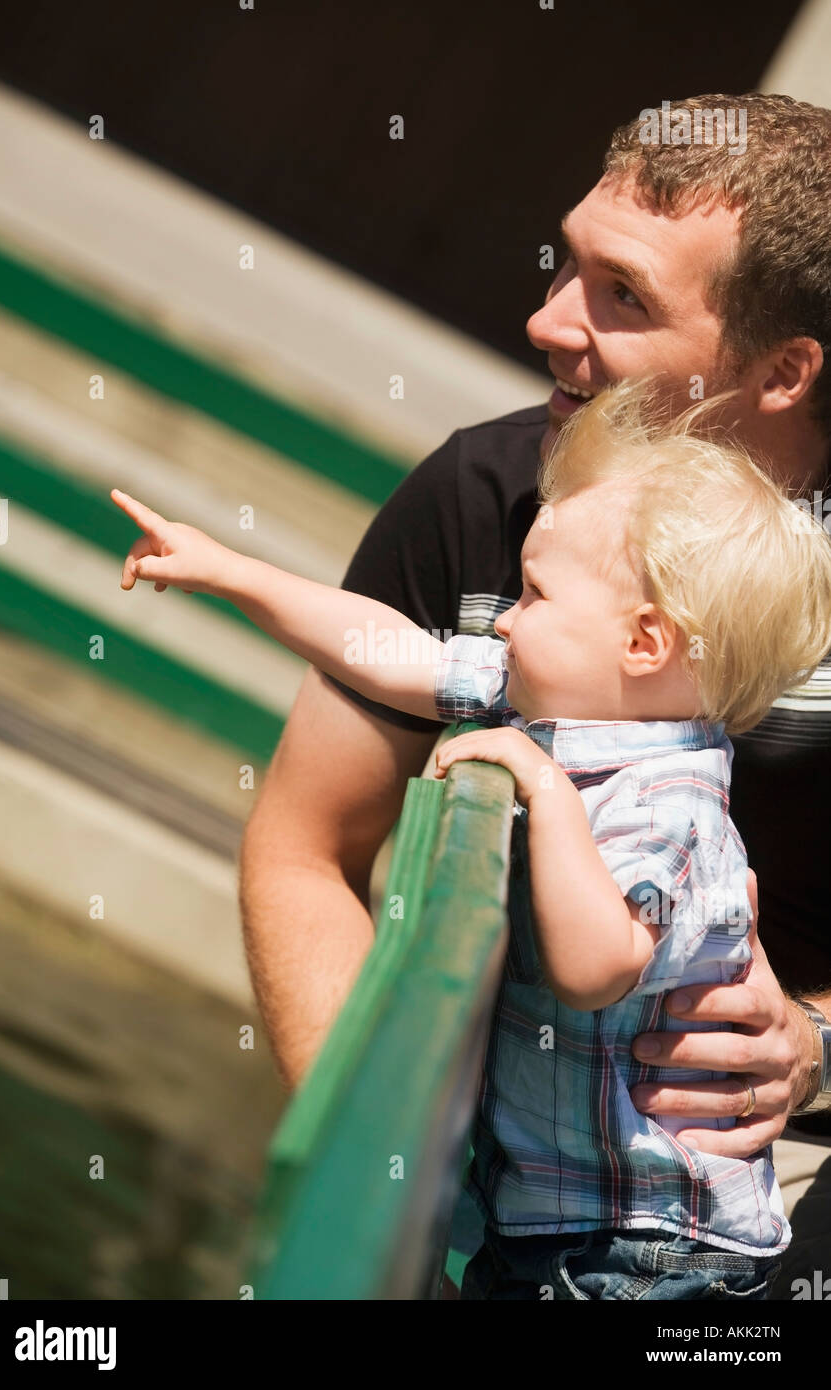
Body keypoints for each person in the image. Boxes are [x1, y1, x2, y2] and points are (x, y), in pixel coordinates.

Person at [239, 92, 831, 1297]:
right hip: (530, 1208)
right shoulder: (481, 492)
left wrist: (814, 1042)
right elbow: (303, 847)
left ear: (784, 371)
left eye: (623, 295)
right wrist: (391, 1176)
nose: (547, 318)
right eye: (570, 262)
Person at [108, 374, 831, 1298]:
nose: (508, 614)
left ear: (645, 641)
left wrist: (542, 789)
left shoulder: (674, 805)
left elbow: (595, 963)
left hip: (651, 1251)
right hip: (551, 1214)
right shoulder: (554, 693)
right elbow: (389, 650)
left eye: (532, 594)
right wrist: (230, 572)